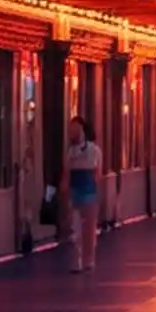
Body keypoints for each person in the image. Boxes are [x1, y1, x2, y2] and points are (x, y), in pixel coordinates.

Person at [62, 116, 103, 274]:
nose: (73, 133)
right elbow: (66, 174)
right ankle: (77, 260)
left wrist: (95, 189)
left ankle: (89, 259)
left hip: (89, 193)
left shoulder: (94, 151)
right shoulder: (70, 152)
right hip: (75, 193)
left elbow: (98, 174)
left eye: (76, 129)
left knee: (89, 229)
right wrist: (65, 190)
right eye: (71, 130)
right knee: (75, 229)